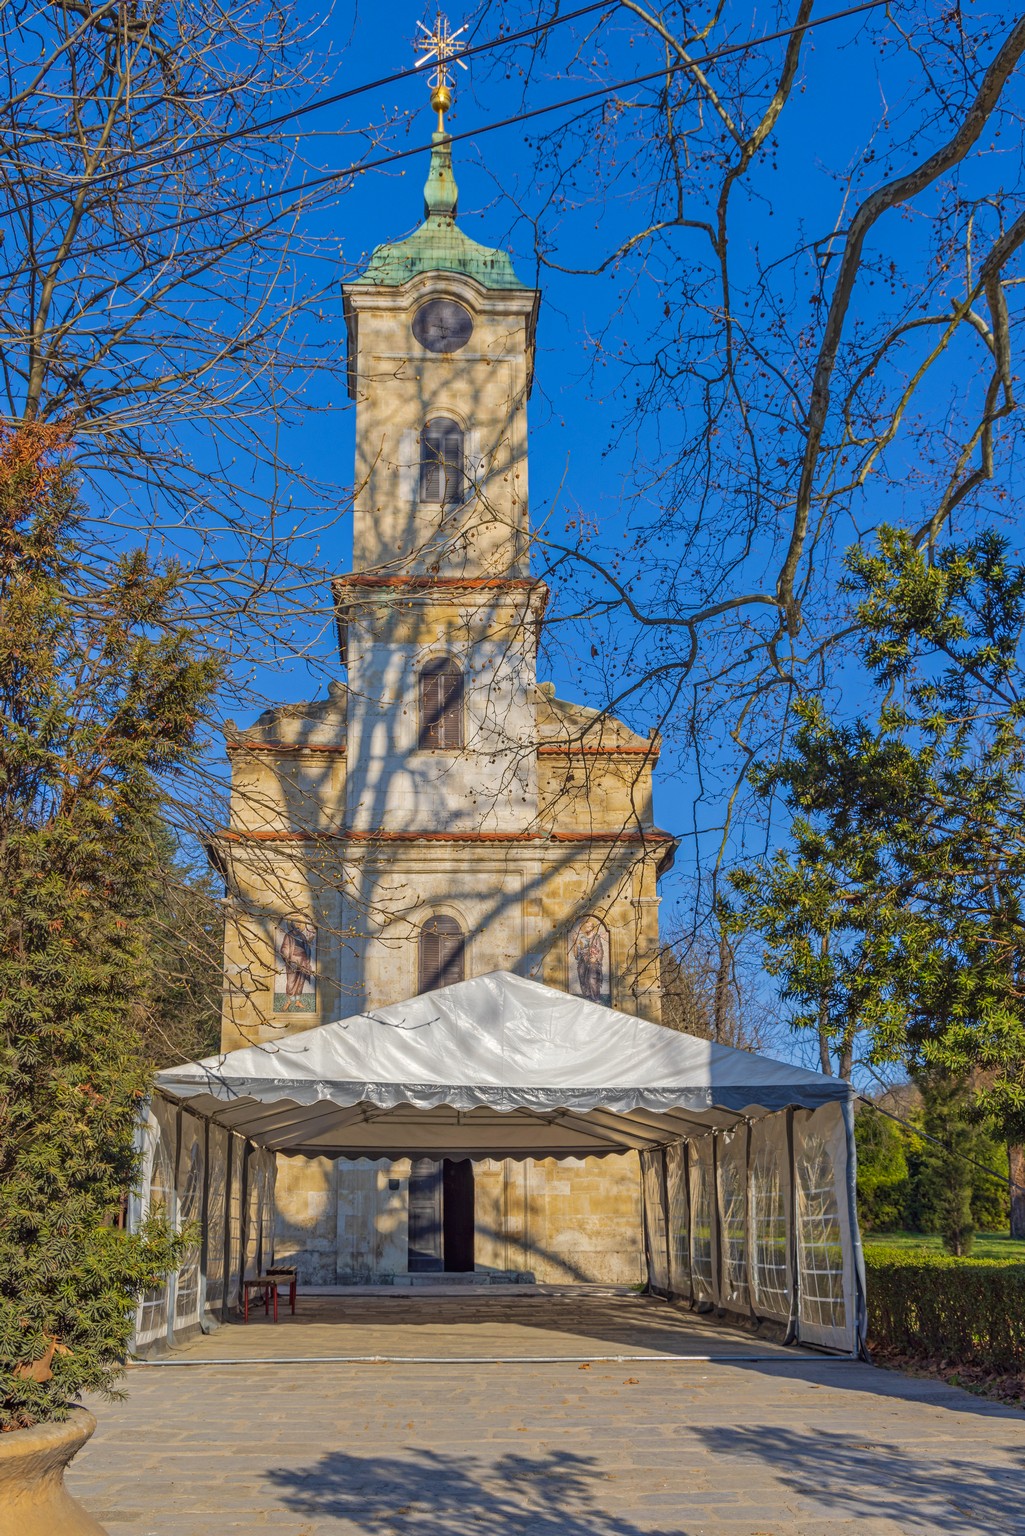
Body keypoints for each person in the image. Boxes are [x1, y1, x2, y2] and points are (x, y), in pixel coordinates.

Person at [279, 917, 315, 1011]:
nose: (298, 925)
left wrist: (307, 957)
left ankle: (297, 1001)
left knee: (301, 981)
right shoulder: (289, 935)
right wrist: (286, 955)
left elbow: (306, 948)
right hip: (293, 959)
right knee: (291, 981)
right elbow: (285, 947)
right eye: (296, 924)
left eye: (299, 924)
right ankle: (289, 1001)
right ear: (292, 925)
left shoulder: (302, 936)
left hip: (302, 960)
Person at [573, 917, 606, 1004]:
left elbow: (600, 950)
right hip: (582, 962)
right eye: (586, 927)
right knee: (583, 980)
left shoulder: (596, 938)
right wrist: (575, 944)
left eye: (589, 927)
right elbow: (577, 955)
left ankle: (596, 999)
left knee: (592, 980)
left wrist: (596, 959)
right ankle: (586, 997)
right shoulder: (581, 939)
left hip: (593, 963)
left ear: (592, 928)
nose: (587, 928)